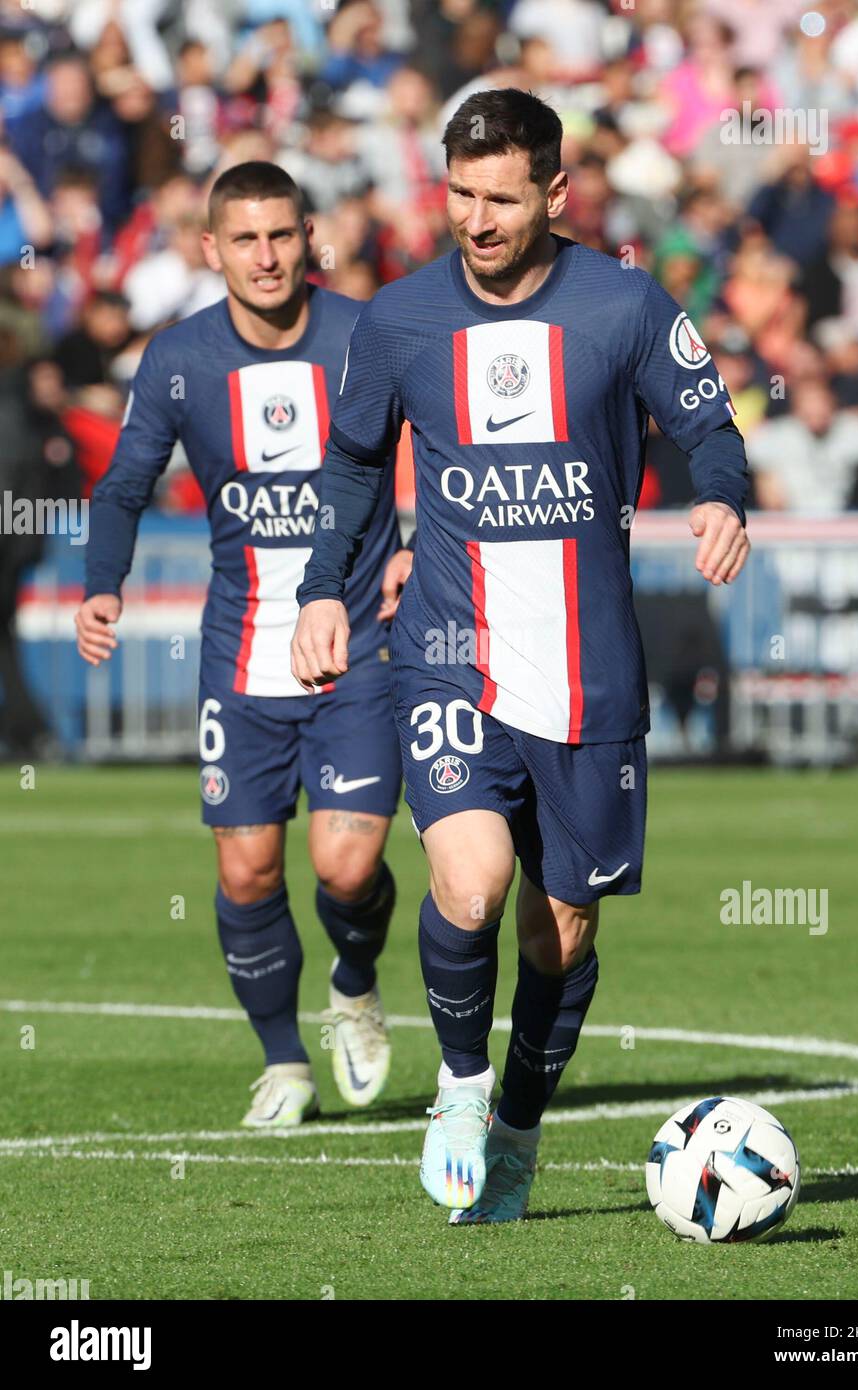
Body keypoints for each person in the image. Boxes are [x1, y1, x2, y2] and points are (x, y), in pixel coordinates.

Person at [292, 90, 750, 1222]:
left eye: (500, 197)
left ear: (554, 193)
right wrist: (320, 591)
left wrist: (720, 499)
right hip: (447, 649)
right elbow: (353, 468)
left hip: (588, 670)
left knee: (562, 932)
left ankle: (518, 1128)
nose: (476, 218)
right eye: (459, 194)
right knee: (471, 880)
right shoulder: (398, 321)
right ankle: (458, 1083)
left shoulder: (624, 304)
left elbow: (707, 423)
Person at [75, 161, 410, 1126]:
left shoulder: (366, 335)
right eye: (246, 240)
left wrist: (417, 550)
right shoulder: (179, 359)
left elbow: (444, 441)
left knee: (346, 868)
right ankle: (284, 1062)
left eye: (282, 236)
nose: (266, 258)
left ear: (310, 238)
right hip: (241, 655)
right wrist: (104, 585)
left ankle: (353, 984)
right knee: (247, 870)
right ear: (210, 249)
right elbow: (125, 482)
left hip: (355, 649)